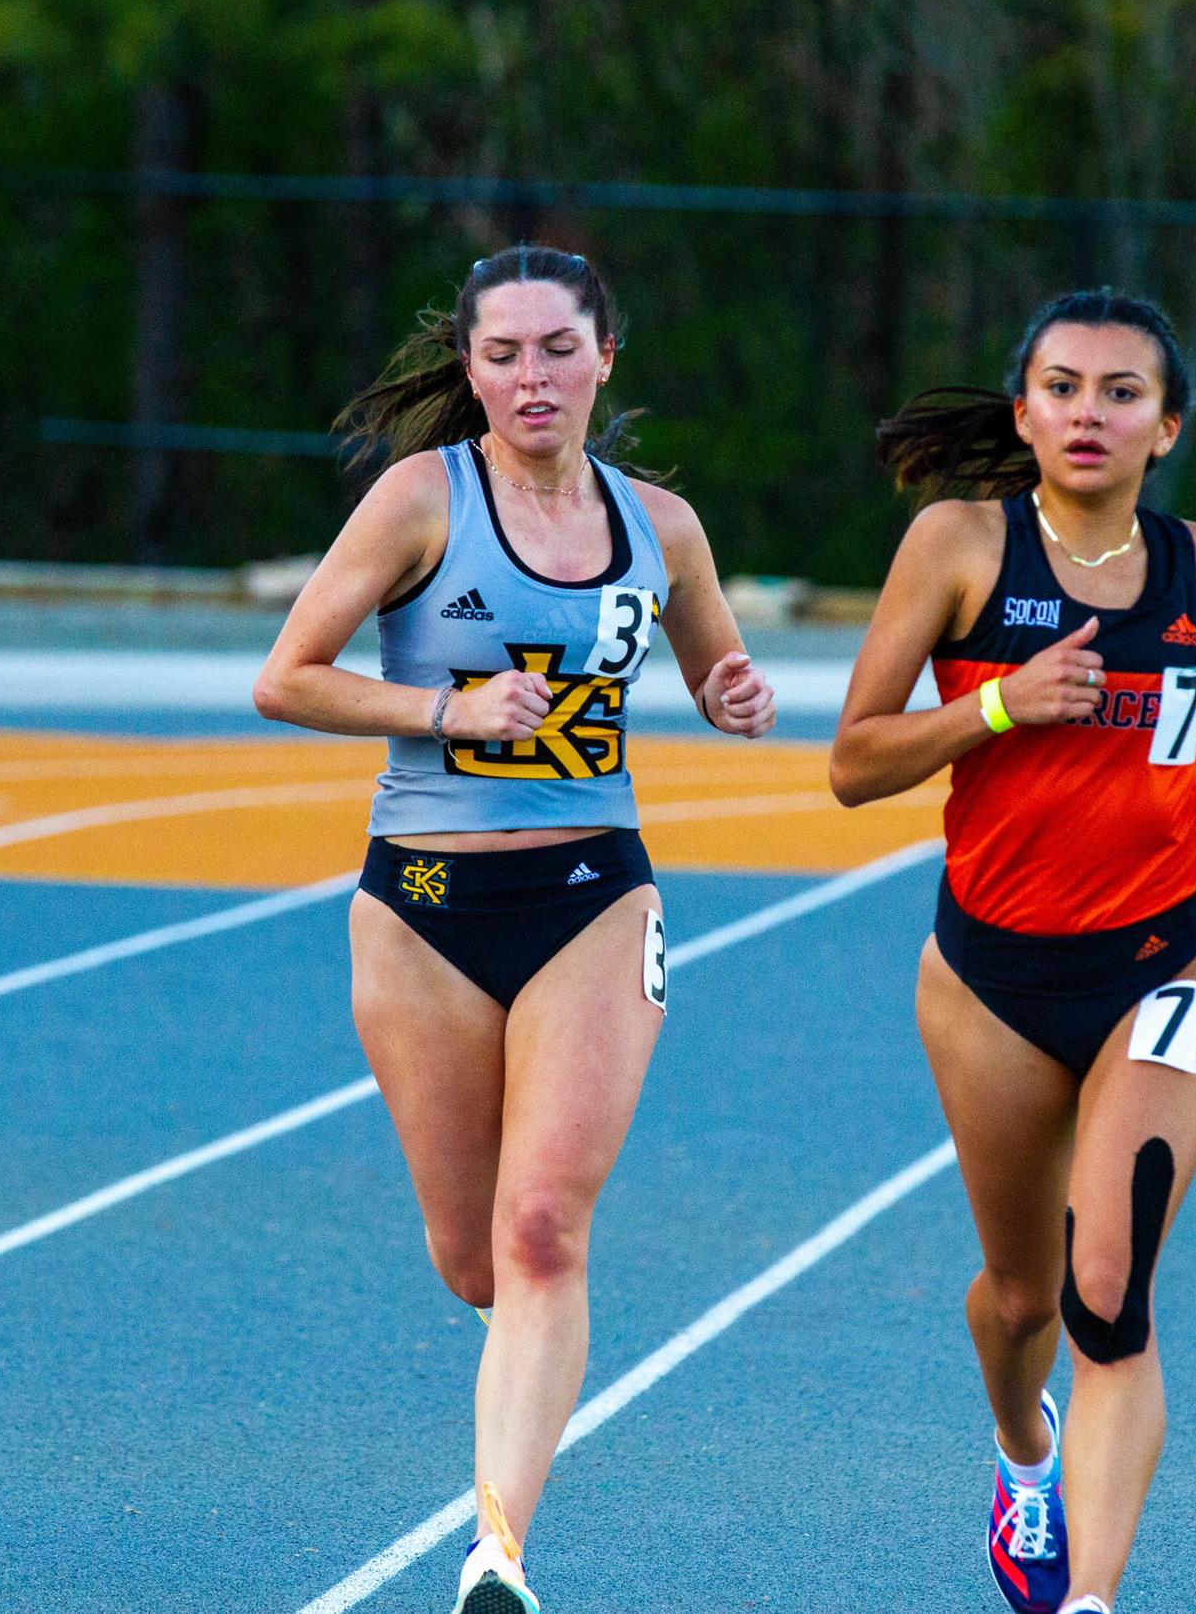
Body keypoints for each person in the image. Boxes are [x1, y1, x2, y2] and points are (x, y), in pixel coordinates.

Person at [253, 245, 775, 1614]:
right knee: (474, 1257)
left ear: (609, 355)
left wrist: (729, 693)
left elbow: (712, 657)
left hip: (593, 895)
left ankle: (496, 1553)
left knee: (544, 1227)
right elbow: (287, 679)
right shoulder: (421, 499)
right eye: (503, 354)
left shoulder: (661, 524)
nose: (532, 377)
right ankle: (516, 1392)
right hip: (422, 908)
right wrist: (445, 711)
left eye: (558, 349)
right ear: (470, 368)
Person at [829, 289, 1196, 1614]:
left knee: (1107, 1292)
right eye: (1063, 386)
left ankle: (1094, 1599)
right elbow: (853, 762)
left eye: (1122, 391)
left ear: (1165, 426)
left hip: (1167, 963)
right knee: (1022, 1301)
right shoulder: (958, 547)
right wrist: (1002, 702)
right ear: (1024, 411)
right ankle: (1023, 1453)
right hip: (992, 982)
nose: (1089, 410)